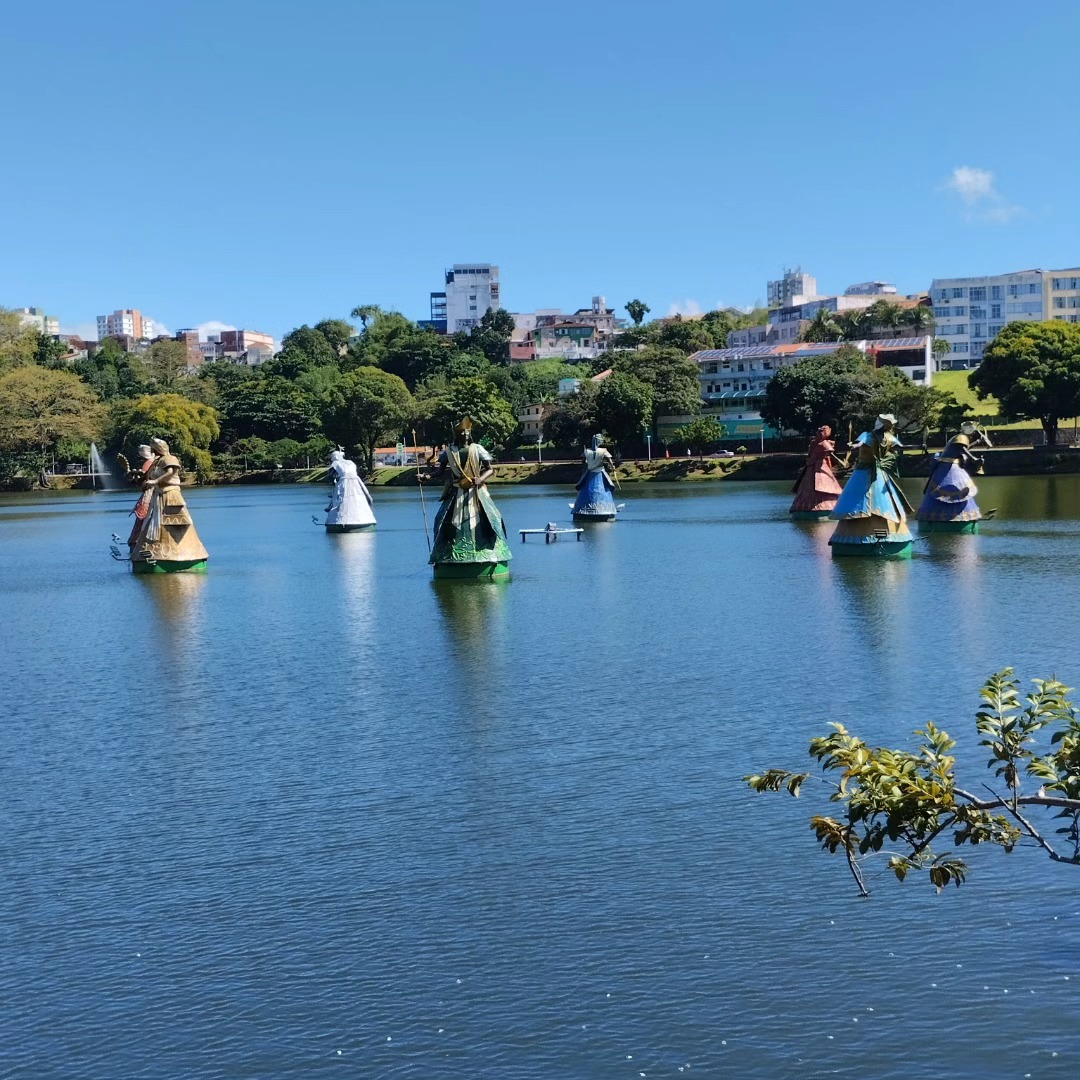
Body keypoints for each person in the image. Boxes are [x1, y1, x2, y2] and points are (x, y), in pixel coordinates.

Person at [428, 417, 511, 579]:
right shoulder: (449, 452)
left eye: (467, 431)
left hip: (477, 492)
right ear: (456, 434)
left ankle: (491, 551)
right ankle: (446, 554)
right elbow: (440, 472)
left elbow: (490, 469)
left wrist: (480, 479)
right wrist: (426, 477)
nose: (465, 434)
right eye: (461, 432)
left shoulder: (477, 449)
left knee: (493, 517)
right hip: (455, 493)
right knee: (441, 519)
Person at [829, 414, 914, 558]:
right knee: (858, 503)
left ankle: (886, 537)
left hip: (875, 474)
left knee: (881, 504)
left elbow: (897, 447)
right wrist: (854, 445)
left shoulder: (885, 437)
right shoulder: (873, 436)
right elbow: (861, 443)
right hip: (866, 473)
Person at [128, 438, 210, 572]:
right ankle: (148, 555)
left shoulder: (170, 458)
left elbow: (171, 472)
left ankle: (184, 556)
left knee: (175, 522)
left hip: (170, 495)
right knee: (152, 525)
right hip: (157, 497)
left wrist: (155, 481)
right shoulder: (156, 462)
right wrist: (136, 478)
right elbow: (146, 479)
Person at [916, 422, 987, 531]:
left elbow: (961, 449)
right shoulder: (961, 437)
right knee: (953, 490)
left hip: (947, 467)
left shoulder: (958, 438)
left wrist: (978, 442)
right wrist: (974, 460)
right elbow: (962, 450)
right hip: (949, 468)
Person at [790, 425, 845, 520]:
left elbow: (827, 453)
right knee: (814, 486)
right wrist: (841, 462)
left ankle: (826, 508)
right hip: (814, 467)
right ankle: (812, 508)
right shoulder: (821, 443)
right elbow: (830, 453)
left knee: (821, 486)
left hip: (814, 466)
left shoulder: (817, 443)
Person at [324, 449, 376, 531]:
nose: (332, 460)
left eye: (333, 458)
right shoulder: (350, 462)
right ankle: (366, 517)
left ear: (336, 457)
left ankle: (339, 518)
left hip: (344, 482)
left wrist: (333, 482)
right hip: (356, 481)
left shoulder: (335, 463)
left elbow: (331, 475)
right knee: (361, 496)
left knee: (339, 499)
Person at [571, 433, 619, 521]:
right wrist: (613, 468)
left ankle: (583, 510)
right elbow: (609, 461)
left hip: (590, 474)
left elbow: (583, 462)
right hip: (598, 474)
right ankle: (603, 510)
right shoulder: (603, 451)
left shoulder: (587, 451)